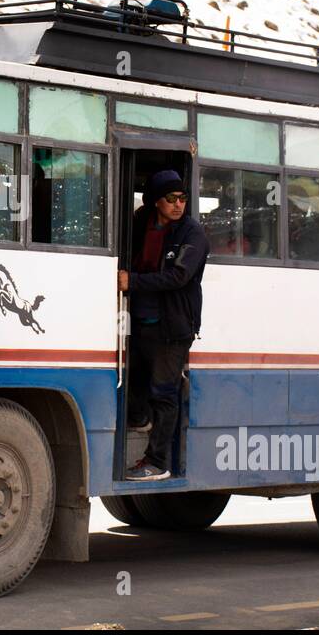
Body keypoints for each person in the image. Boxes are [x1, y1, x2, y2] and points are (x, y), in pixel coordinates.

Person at [118, 169, 210, 481]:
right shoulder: (141, 224)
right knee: (131, 381)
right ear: (157, 202)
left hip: (173, 329)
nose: (178, 204)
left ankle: (157, 461)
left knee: (164, 393)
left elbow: (178, 276)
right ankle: (140, 419)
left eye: (183, 198)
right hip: (140, 322)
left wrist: (133, 281)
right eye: (171, 199)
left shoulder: (192, 234)